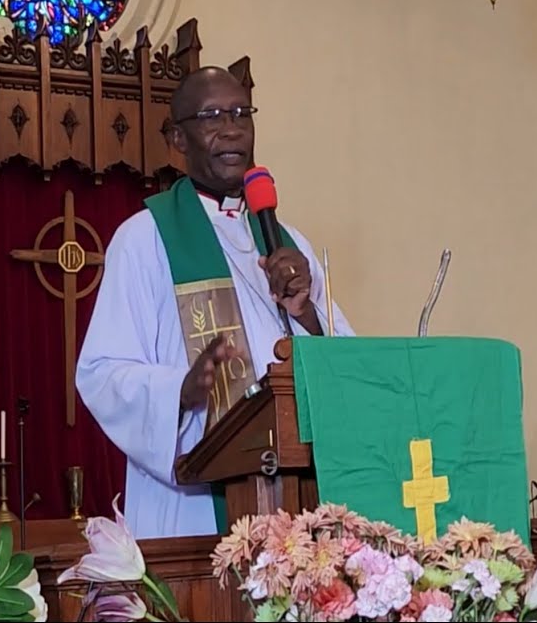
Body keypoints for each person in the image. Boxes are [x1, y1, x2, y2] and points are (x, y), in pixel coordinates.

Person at [76, 66, 354, 539]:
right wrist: (177, 392)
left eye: (241, 113)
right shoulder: (145, 239)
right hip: (196, 510)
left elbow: (347, 373)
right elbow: (100, 372)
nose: (231, 127)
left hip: (295, 505)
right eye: (211, 116)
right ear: (178, 139)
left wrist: (306, 313)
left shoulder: (291, 246)